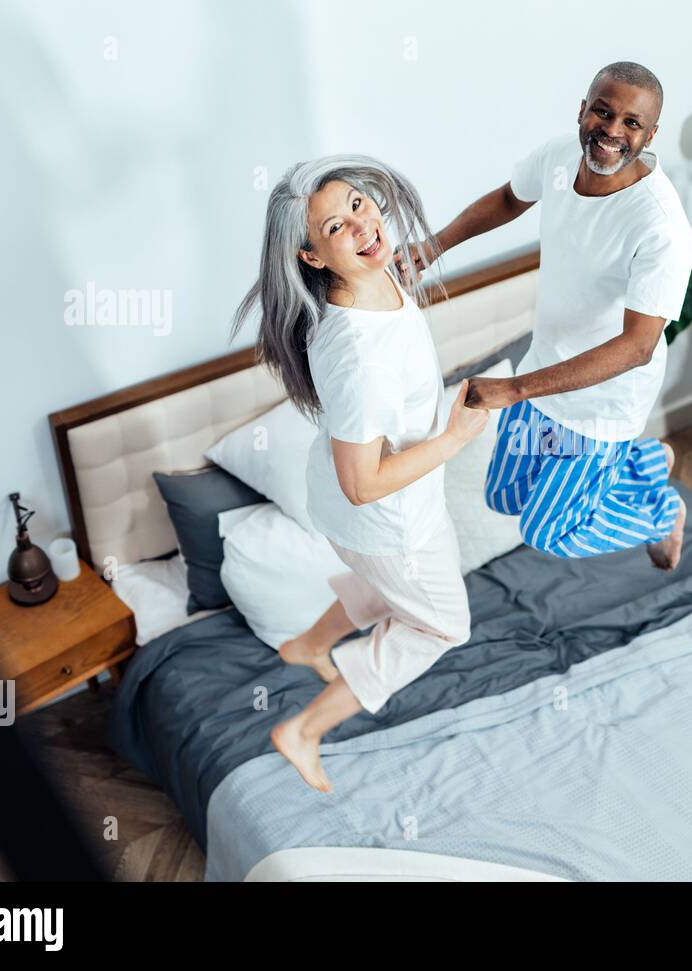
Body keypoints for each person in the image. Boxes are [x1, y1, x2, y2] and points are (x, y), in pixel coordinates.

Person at [231, 156, 488, 792]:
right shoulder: (358, 355)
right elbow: (363, 482)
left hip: (368, 519)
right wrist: (454, 438)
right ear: (312, 258)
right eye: (335, 228)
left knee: (390, 586)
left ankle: (308, 646)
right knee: (442, 624)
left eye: (356, 203)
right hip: (383, 514)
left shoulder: (375, 280)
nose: (361, 224)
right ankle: (303, 730)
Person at [398, 61, 692, 569]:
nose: (612, 131)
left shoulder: (661, 227)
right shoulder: (561, 156)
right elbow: (511, 198)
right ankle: (647, 461)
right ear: (583, 110)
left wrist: (513, 389)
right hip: (545, 376)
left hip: (601, 410)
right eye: (603, 112)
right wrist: (433, 246)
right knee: (504, 500)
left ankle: (661, 511)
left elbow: (637, 347)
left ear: (650, 135)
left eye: (632, 123)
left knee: (548, 532)